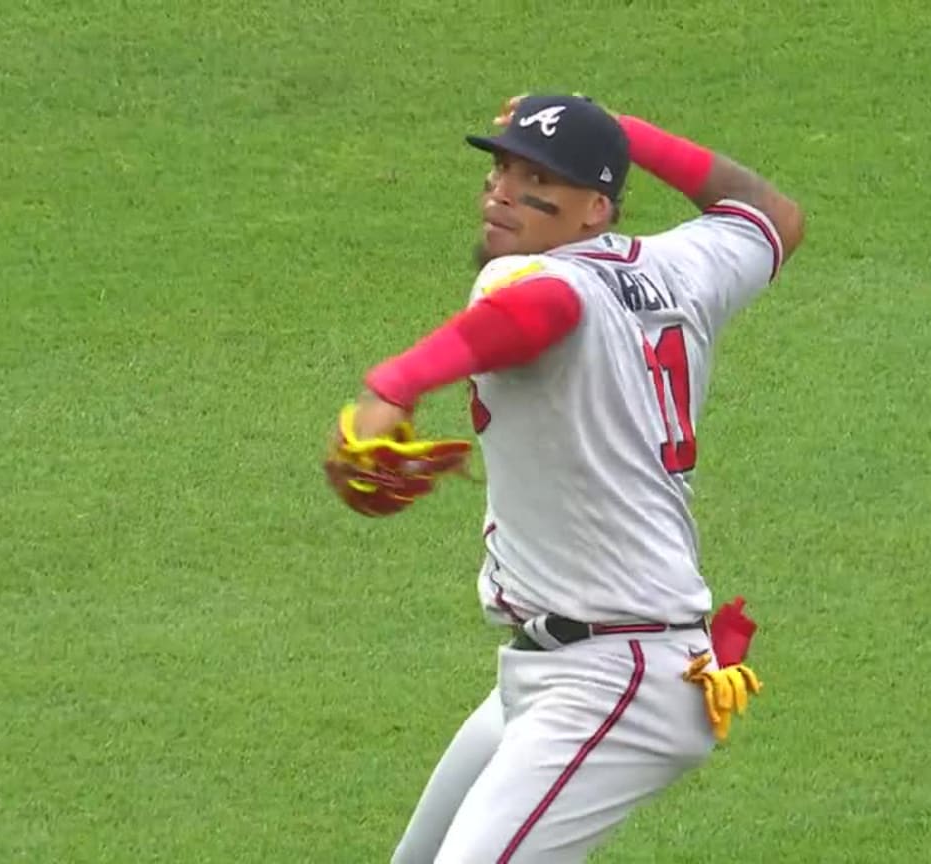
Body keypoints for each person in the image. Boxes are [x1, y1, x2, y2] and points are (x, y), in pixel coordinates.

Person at [343, 92, 805, 863]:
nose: (502, 198)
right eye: (500, 173)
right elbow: (772, 215)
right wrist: (622, 134)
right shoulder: (678, 266)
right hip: (566, 667)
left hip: (614, 680)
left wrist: (394, 385)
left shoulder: (529, 277)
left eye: (536, 186)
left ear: (595, 209)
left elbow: (544, 311)